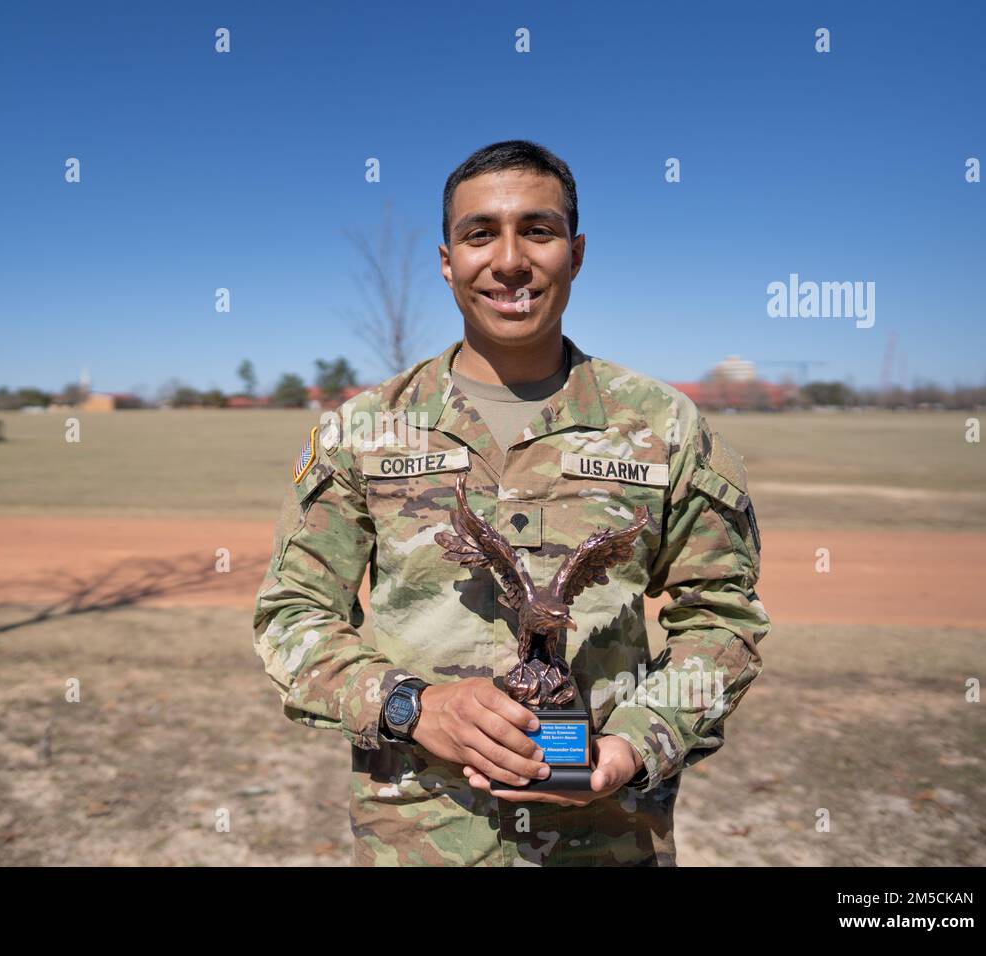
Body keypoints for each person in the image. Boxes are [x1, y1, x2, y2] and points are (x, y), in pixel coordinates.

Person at [252, 140, 771, 866]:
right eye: (479, 234)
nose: (508, 262)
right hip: (420, 838)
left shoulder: (663, 428)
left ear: (576, 252)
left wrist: (636, 741)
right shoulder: (363, 430)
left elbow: (721, 614)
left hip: (607, 840)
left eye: (537, 230)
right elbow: (292, 614)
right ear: (446, 260)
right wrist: (410, 707)